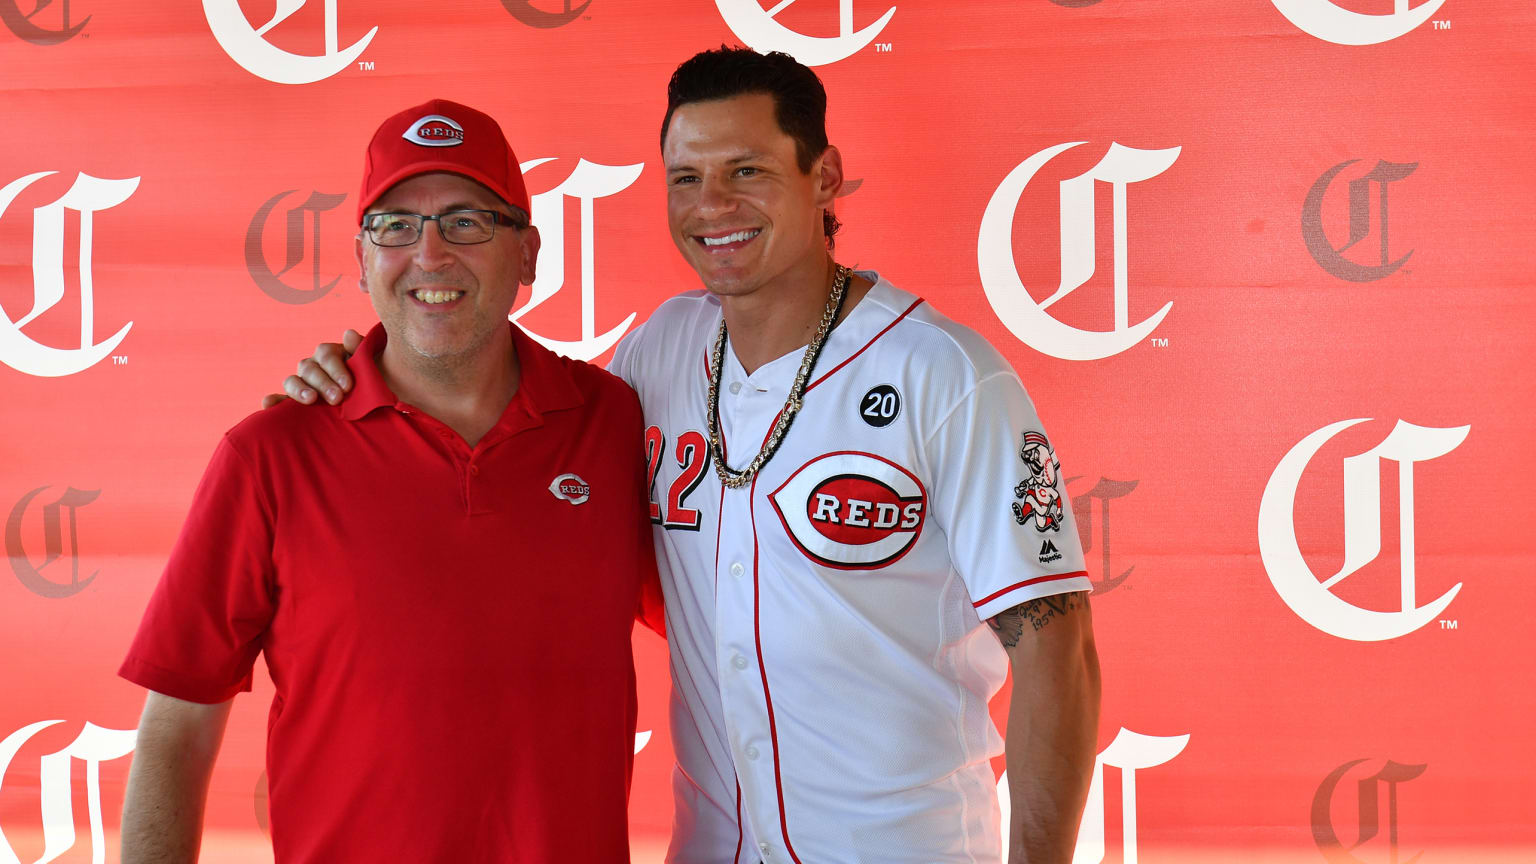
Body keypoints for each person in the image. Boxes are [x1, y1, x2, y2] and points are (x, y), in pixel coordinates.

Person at [282, 48, 1100, 864]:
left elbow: (1057, 652)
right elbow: (508, 450)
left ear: (825, 177)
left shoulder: (944, 374)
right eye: (684, 177)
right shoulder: (657, 354)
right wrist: (364, 376)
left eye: (746, 170)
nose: (712, 206)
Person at [119, 99, 659, 863]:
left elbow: (730, 618)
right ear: (363, 255)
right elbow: (176, 728)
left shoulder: (616, 423)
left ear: (529, 253)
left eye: (468, 221)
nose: (430, 254)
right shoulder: (270, 454)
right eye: (397, 225)